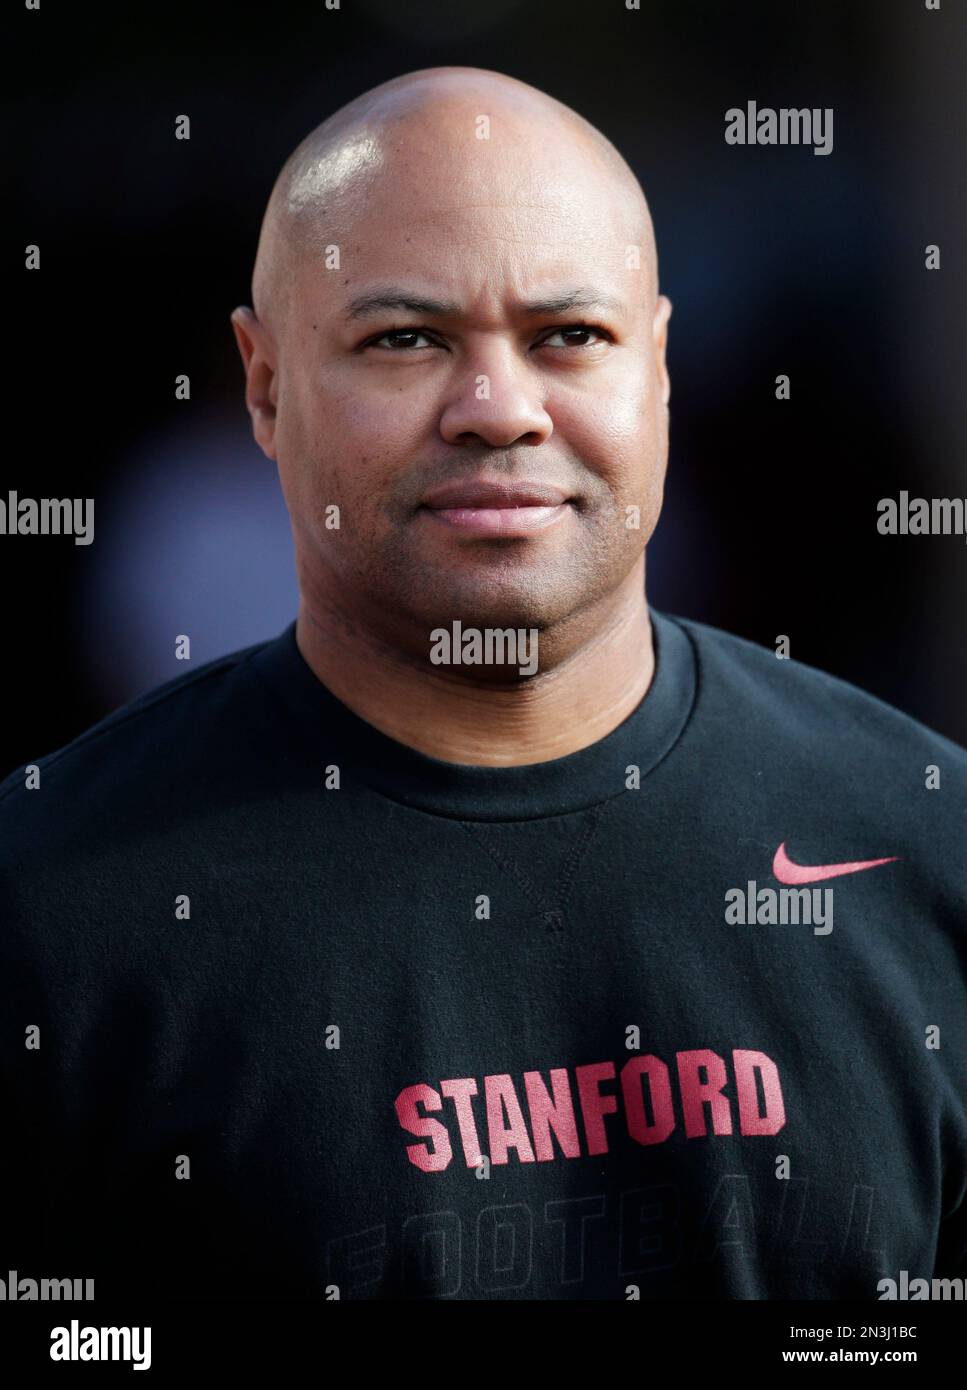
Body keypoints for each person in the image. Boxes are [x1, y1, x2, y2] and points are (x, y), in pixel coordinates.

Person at [1, 66, 964, 1302]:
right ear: (263, 382)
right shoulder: (48, 916)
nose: (498, 409)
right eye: (404, 338)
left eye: (570, 336)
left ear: (659, 366)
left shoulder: (926, 844)